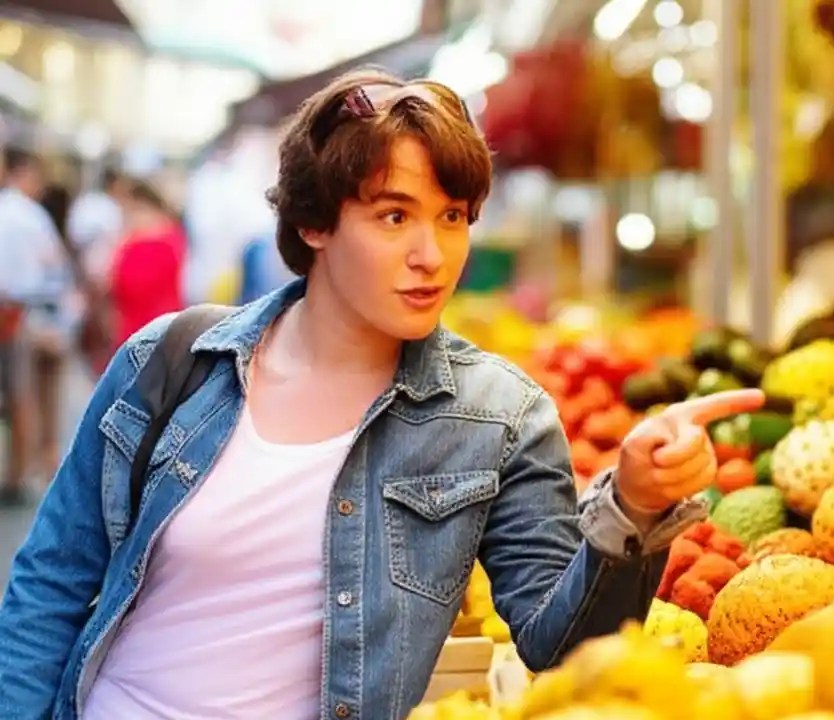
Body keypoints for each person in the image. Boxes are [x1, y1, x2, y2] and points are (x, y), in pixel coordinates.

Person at [0, 69, 760, 720]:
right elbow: (49, 587)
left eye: (452, 217)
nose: (432, 255)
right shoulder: (172, 361)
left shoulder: (501, 419)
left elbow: (566, 654)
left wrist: (632, 509)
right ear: (314, 221)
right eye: (394, 216)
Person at [0, 148, 67, 505]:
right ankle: (26, 470)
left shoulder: (11, 211)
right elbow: (55, 262)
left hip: (17, 311)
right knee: (28, 395)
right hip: (26, 312)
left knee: (21, 395)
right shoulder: (29, 215)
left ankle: (21, 472)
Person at [106, 180, 186, 353]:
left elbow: (126, 283)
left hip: (153, 328)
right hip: (142, 328)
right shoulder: (134, 241)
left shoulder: (157, 242)